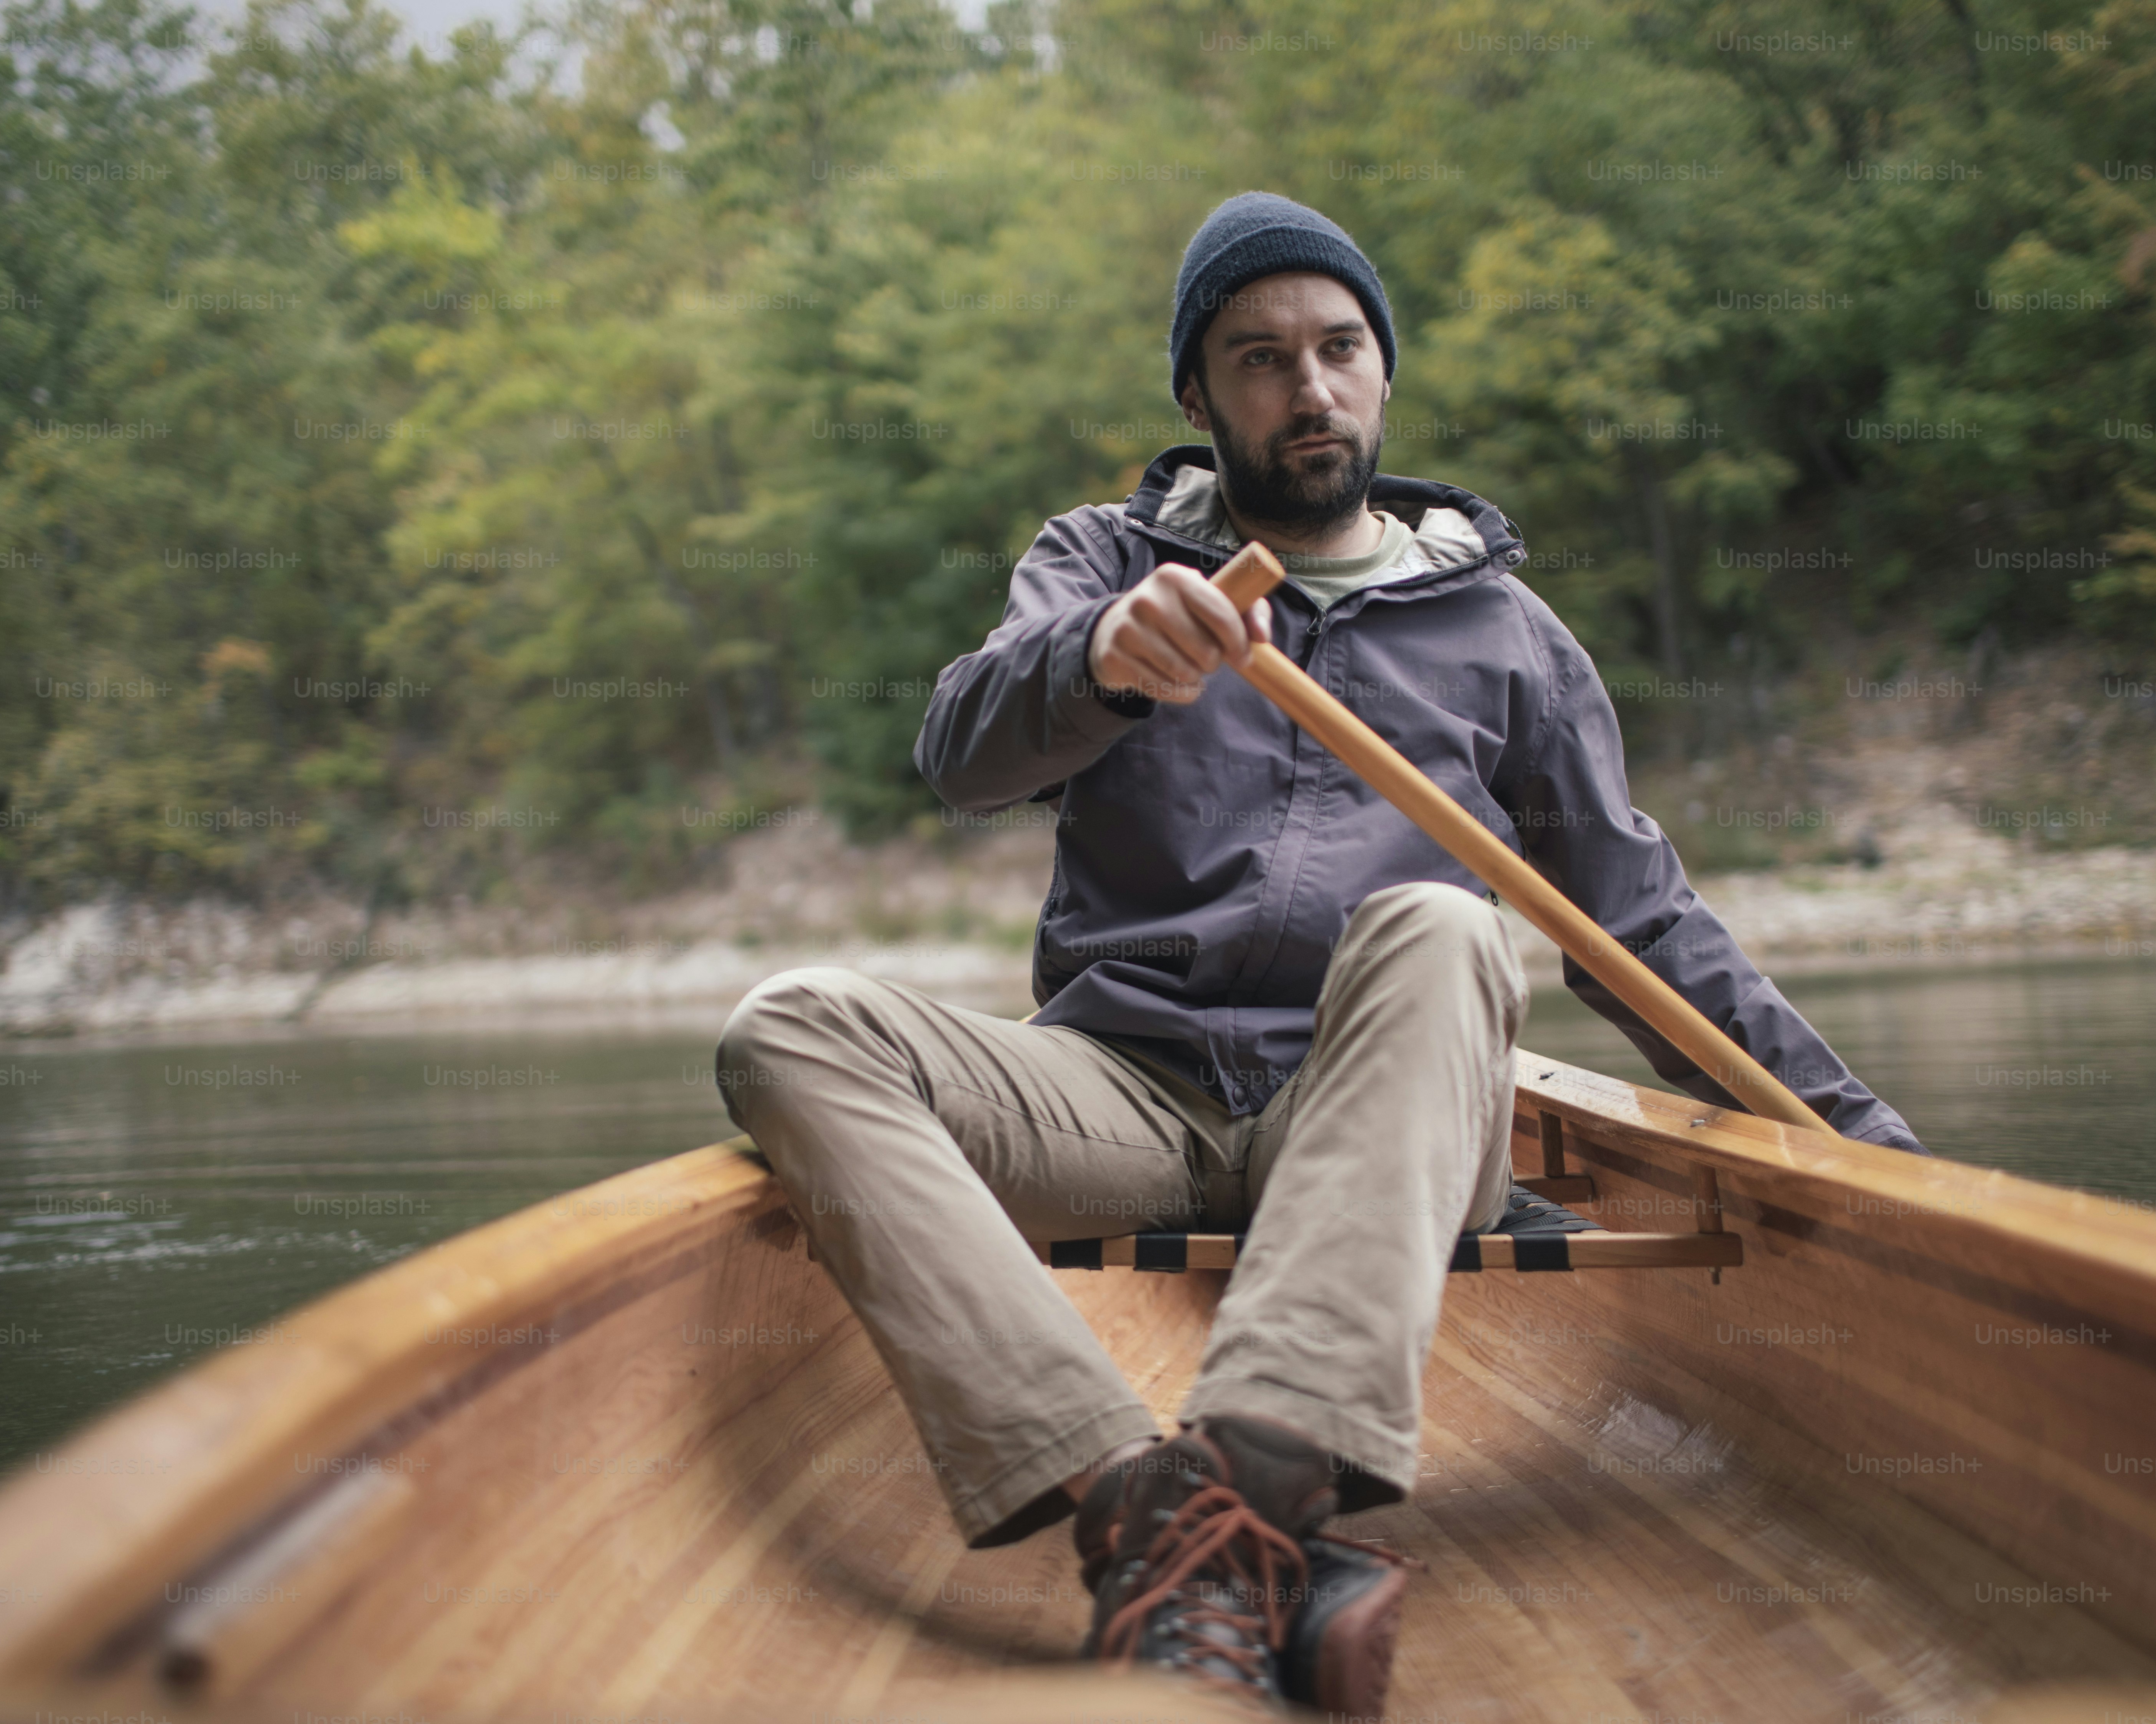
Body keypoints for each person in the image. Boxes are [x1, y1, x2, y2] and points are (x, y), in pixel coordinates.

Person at [715, 191, 1920, 1712]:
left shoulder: (1508, 637)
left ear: (1384, 370)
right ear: (1201, 395)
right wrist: (1093, 663)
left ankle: (1251, 1470)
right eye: (1261, 357)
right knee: (793, 1026)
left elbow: (1642, 927)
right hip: (1125, 1091)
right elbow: (962, 755)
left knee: (1444, 923)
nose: (1310, 387)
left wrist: (1865, 1140)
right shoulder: (1104, 560)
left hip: (1383, 1112)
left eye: (1339, 348)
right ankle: (1154, 1509)